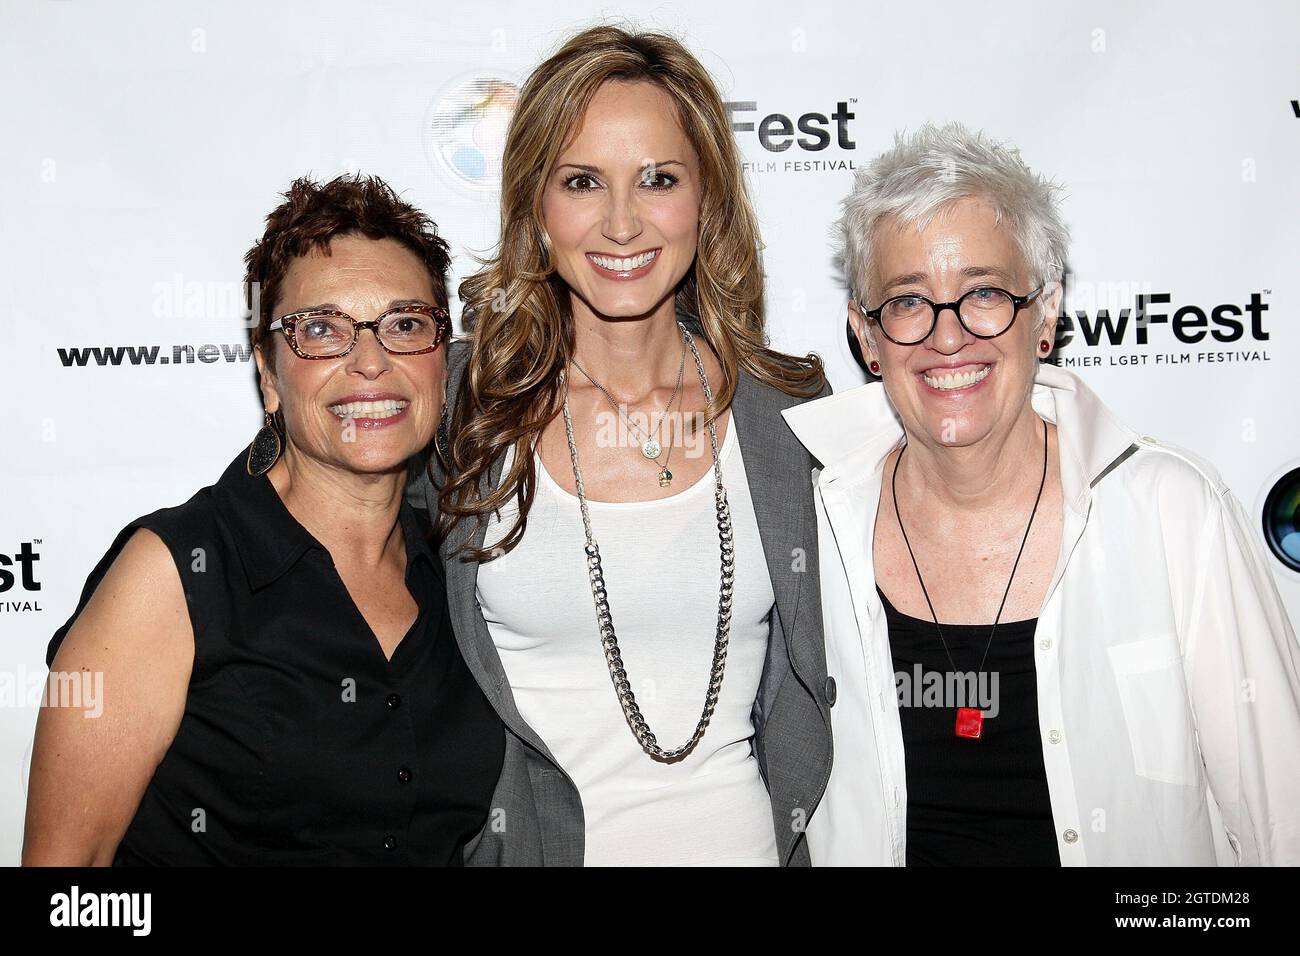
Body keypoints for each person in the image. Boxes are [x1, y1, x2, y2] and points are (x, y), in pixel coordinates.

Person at [785, 122, 1300, 866]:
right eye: (906, 301)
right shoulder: (809, 526)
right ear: (866, 337)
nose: (948, 336)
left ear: (1047, 314)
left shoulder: (1169, 511)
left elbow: (1284, 823)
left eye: (985, 293)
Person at [413, 25, 833, 865]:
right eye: (581, 182)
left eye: (658, 179)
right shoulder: (460, 404)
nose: (620, 222)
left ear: (706, 196)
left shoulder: (791, 414)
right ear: (536, 204)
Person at [24, 174, 504, 865]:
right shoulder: (176, 573)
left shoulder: (462, 581)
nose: (370, 361)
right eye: (321, 330)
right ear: (270, 376)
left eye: (405, 324)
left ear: (442, 360)